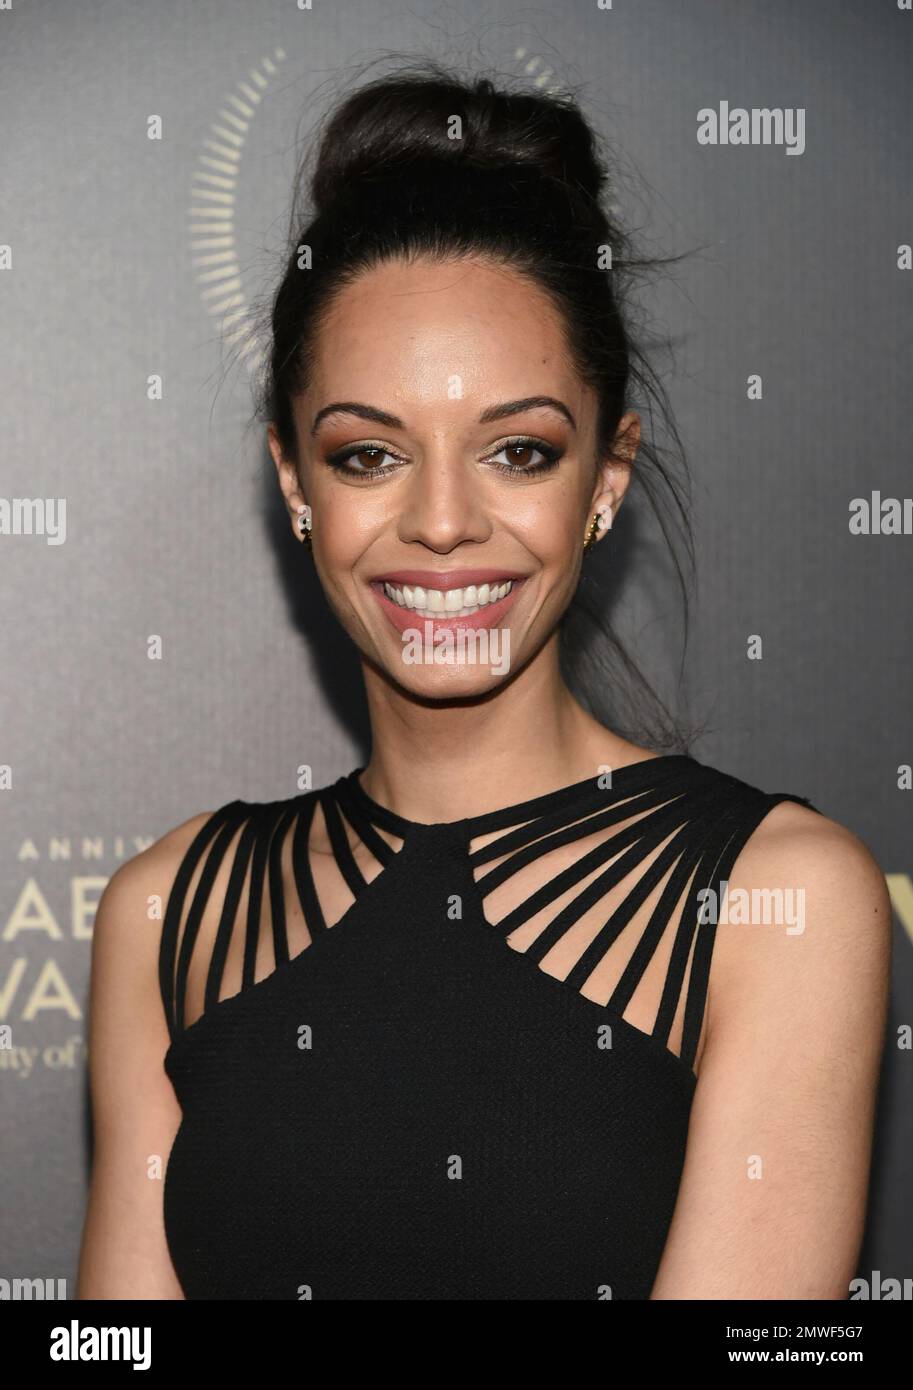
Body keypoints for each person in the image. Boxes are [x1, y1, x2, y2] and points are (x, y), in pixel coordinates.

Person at [77, 64, 890, 1300]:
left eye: (518, 450)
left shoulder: (778, 902)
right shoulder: (167, 913)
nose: (444, 522)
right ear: (296, 486)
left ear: (604, 475)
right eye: (367, 454)